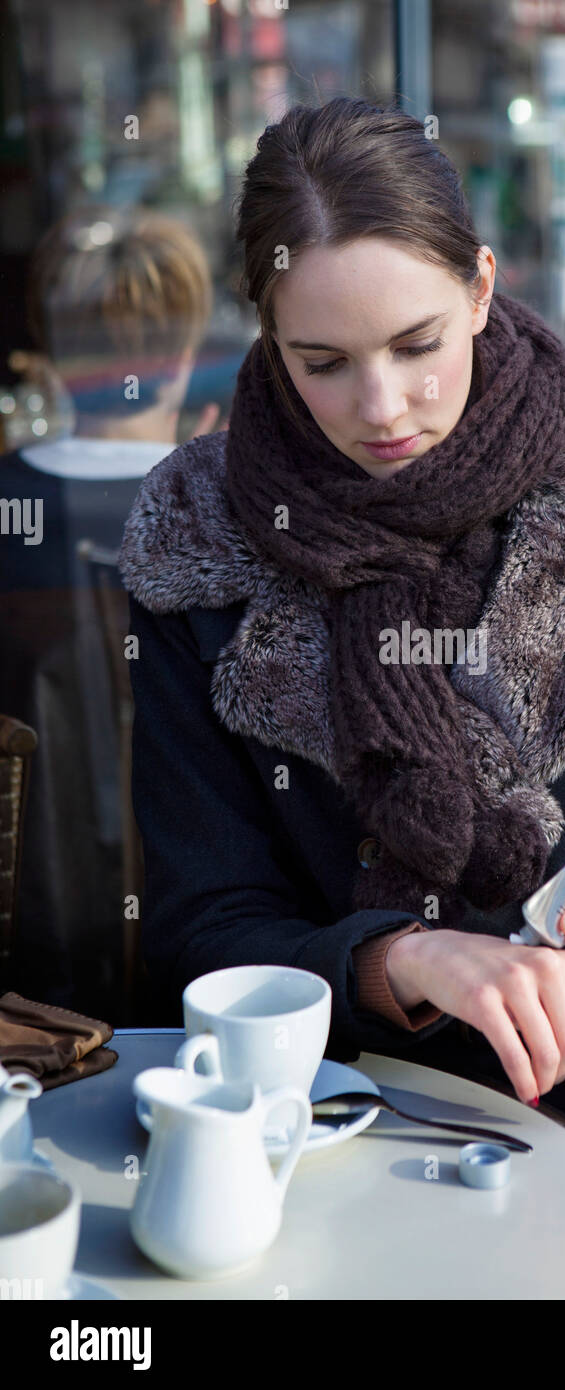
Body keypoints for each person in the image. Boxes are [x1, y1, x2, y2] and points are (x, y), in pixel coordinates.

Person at [118, 96, 565, 1300]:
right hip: (300, 1151)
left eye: (417, 344)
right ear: (265, 334)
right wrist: (397, 962)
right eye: (321, 362)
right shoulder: (198, 545)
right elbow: (193, 940)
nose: (381, 408)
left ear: (481, 287)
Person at [0, 206, 215, 1014]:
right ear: (187, 356)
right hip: (217, 977)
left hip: (23, 997)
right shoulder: (235, 514)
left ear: (50, 360)